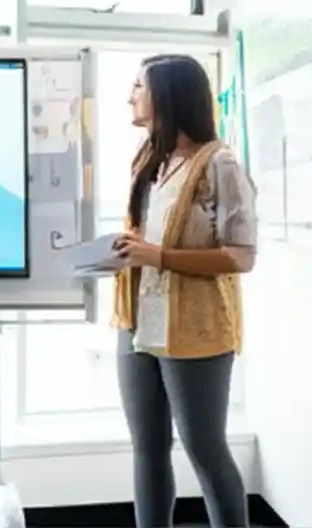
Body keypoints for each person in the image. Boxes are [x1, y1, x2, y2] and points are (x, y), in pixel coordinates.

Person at [113, 55, 256, 528]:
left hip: (196, 328)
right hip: (137, 321)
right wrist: (126, 251)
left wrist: (157, 256)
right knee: (147, 447)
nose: (130, 96)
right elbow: (148, 239)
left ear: (168, 95)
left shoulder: (220, 164)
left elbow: (240, 257)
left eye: (139, 86)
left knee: (204, 449)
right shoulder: (148, 159)